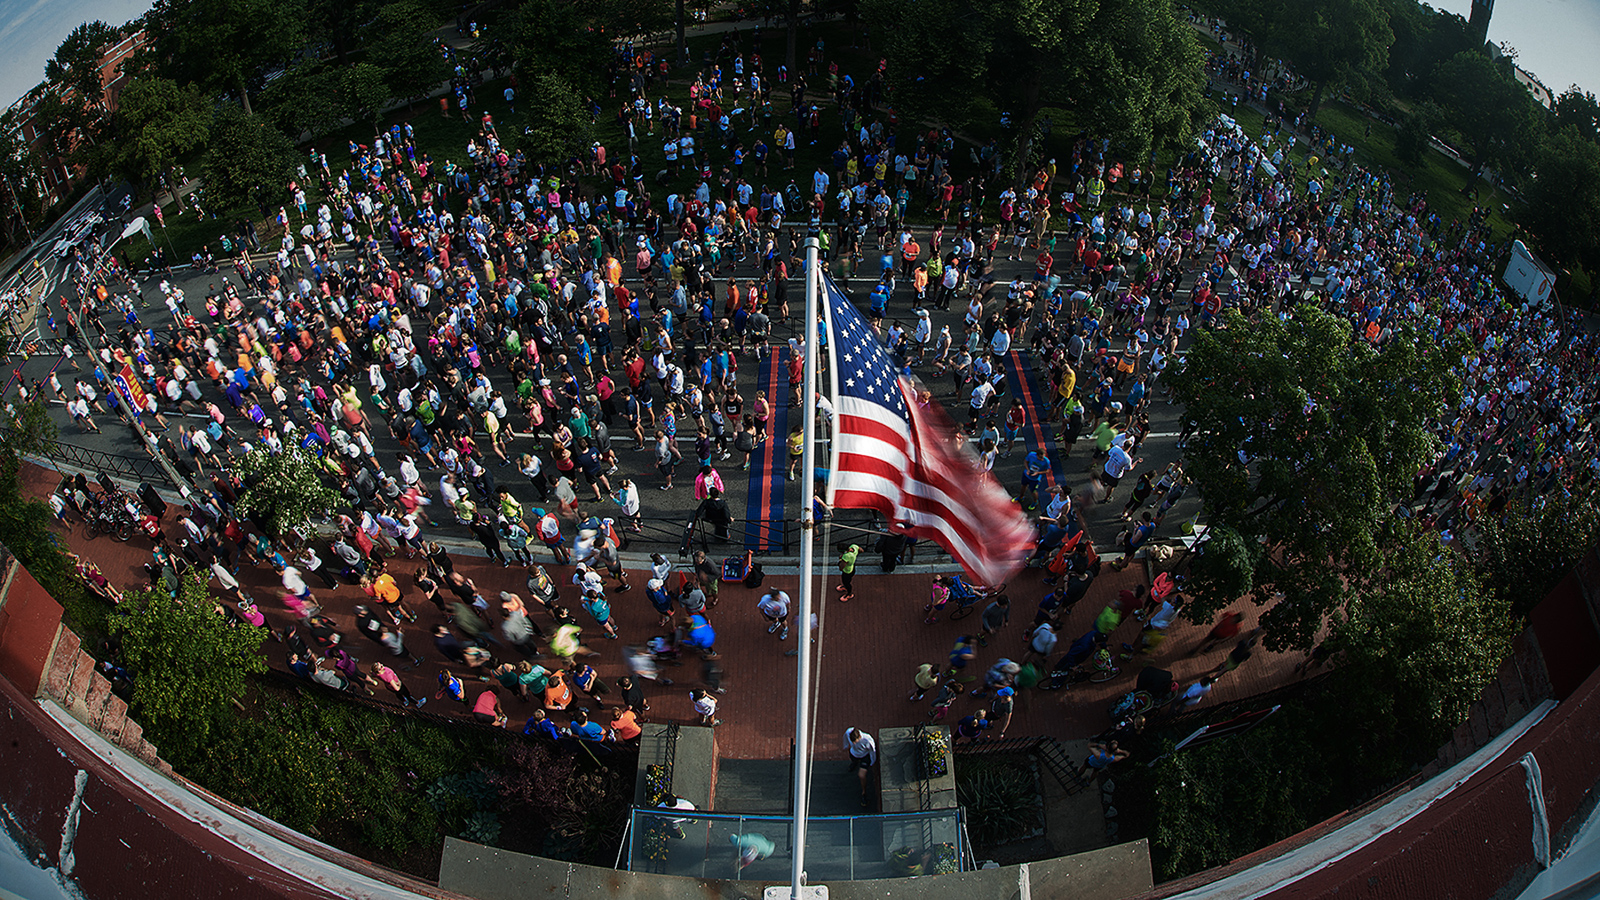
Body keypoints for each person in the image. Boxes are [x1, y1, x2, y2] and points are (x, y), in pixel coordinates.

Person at [843, 726, 877, 808]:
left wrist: (872, 763)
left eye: (855, 741)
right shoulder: (848, 733)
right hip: (854, 754)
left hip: (864, 757)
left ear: (860, 737)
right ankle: (854, 763)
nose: (854, 743)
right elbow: (845, 739)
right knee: (853, 758)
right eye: (852, 742)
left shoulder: (868, 740)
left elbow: (872, 752)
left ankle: (864, 793)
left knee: (861, 775)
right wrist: (846, 746)